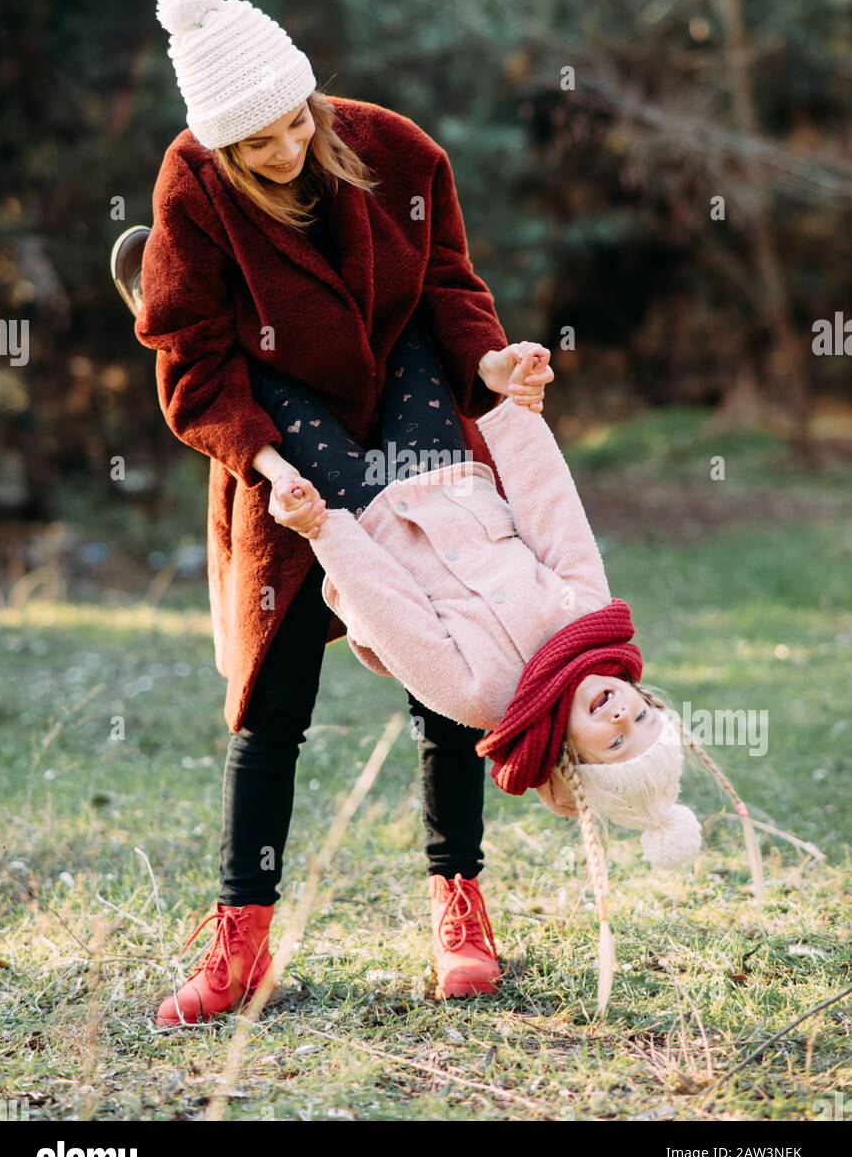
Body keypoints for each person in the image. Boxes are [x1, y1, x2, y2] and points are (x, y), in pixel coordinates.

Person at [118, 0, 555, 1027]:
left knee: (447, 669)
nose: (279, 152)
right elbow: (191, 360)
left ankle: (460, 905)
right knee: (270, 708)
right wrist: (267, 470)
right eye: (252, 145)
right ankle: (241, 941)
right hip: (282, 444)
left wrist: (491, 367)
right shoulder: (192, 184)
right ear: (217, 146)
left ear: (308, 97)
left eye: (289, 127)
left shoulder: (397, 153)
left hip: (410, 423)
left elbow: (448, 287)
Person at [261, 348, 773, 1016]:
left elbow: (395, 612)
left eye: (615, 744)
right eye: (645, 720)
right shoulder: (590, 617)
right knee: (399, 337)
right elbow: (554, 518)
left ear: (570, 758)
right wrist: (513, 413)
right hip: (445, 471)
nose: (624, 720)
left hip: (366, 517)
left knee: (274, 386)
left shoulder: (476, 697)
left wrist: (324, 529)